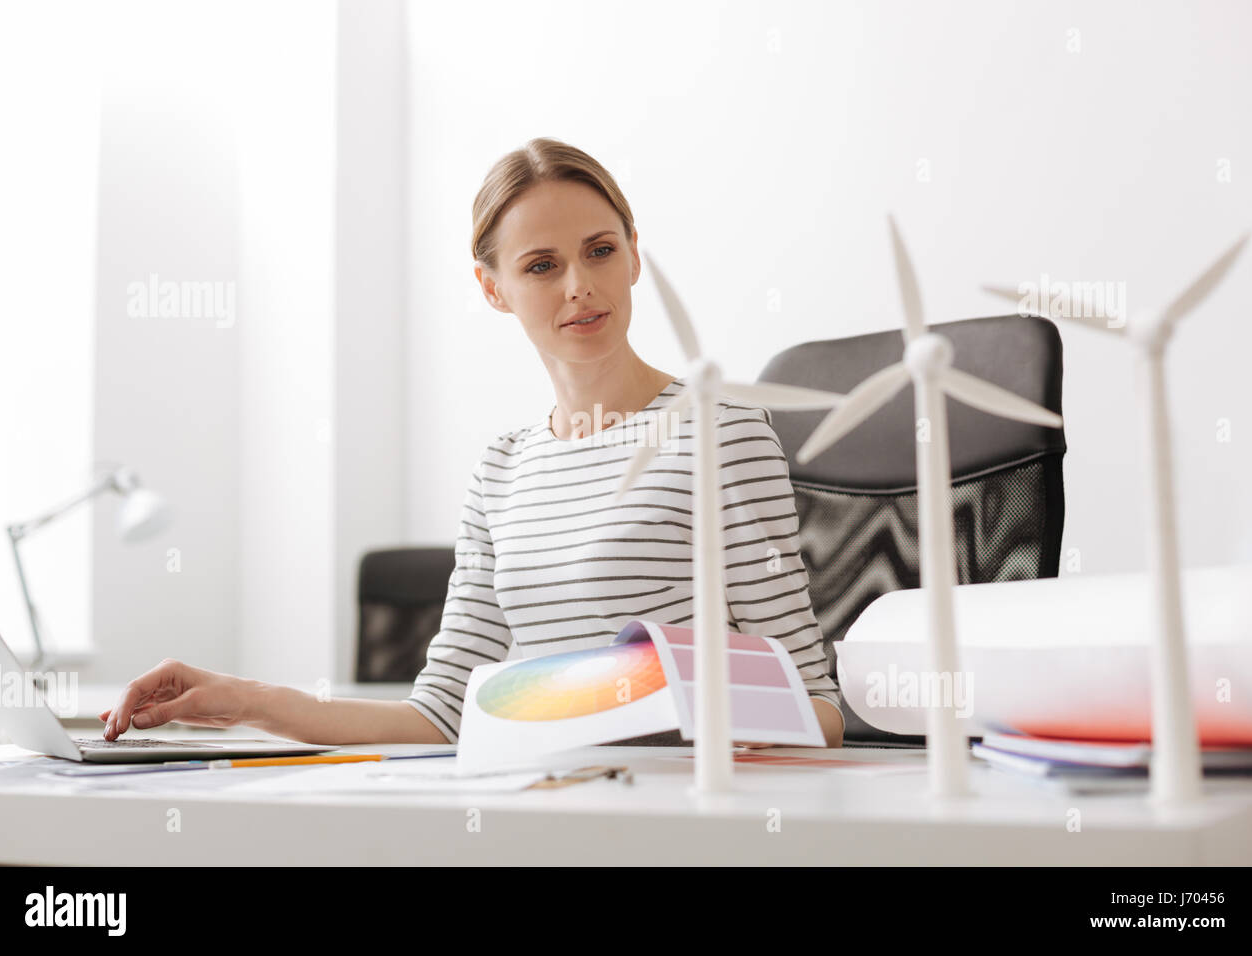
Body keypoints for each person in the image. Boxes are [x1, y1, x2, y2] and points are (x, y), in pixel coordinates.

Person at [100, 137, 844, 748]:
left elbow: (817, 702)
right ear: (493, 288)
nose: (579, 285)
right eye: (542, 266)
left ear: (634, 255)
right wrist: (246, 702)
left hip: (677, 812)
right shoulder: (503, 468)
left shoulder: (722, 432)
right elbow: (440, 714)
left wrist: (725, 732)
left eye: (599, 251)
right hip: (546, 801)